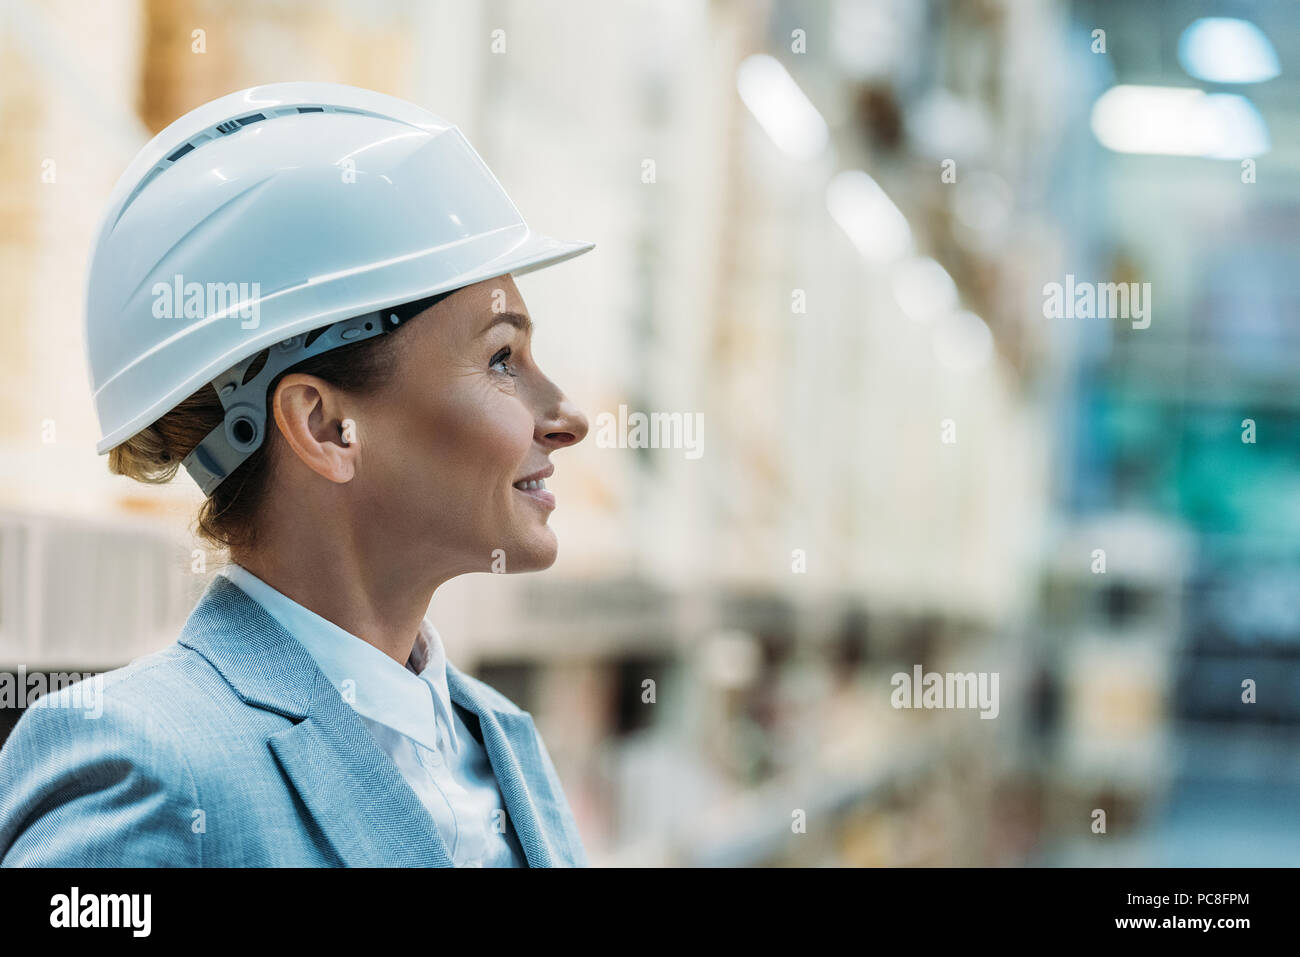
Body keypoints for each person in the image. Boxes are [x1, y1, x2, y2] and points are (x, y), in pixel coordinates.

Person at [0, 82, 594, 866]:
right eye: (500, 358)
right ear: (324, 427)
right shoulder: (143, 769)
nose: (567, 415)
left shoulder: (507, 745)